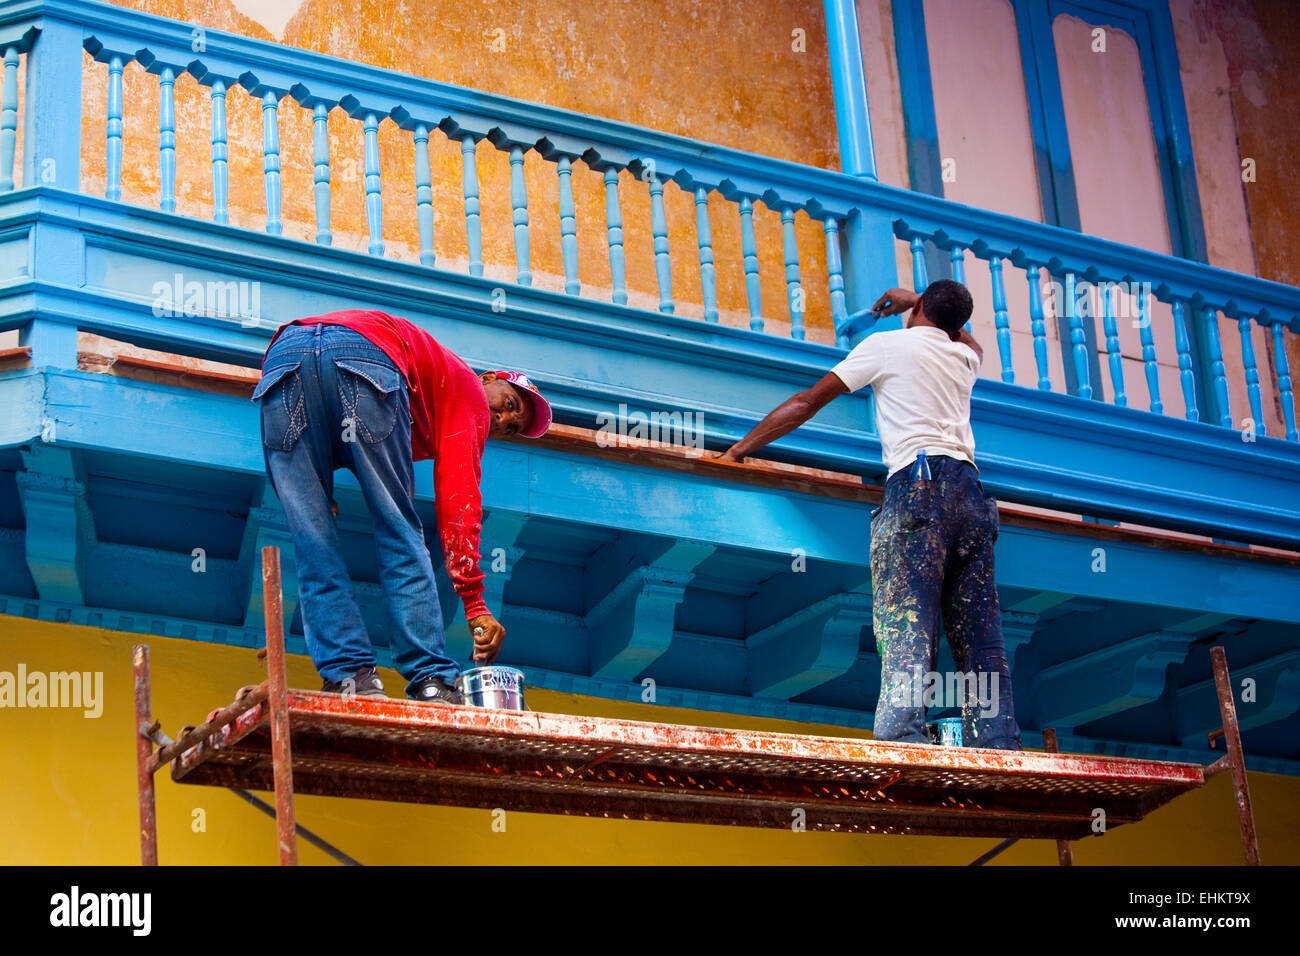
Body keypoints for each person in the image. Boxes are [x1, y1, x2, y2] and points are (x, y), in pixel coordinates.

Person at [718, 280, 1021, 750]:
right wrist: (924, 305)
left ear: (918, 306)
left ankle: (903, 736)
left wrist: (738, 451)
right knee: (979, 629)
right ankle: (998, 741)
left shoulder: (886, 345)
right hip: (972, 495)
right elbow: (969, 339)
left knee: (909, 617)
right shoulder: (963, 358)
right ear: (956, 325)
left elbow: (806, 402)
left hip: (919, 486)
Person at [252, 309, 552, 704]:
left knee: (312, 537)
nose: (502, 418)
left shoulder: (434, 397)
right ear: (487, 379)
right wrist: (475, 604)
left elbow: (317, 380)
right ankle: (430, 679)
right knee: (398, 527)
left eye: (511, 427)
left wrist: (317, 491)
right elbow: (459, 503)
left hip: (285, 360)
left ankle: (349, 677)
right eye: (510, 403)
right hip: (365, 355)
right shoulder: (467, 392)